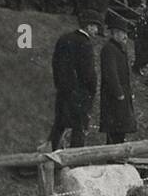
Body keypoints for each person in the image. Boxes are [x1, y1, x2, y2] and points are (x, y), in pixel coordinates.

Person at [49, 10, 101, 151]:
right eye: (95, 27)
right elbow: (88, 73)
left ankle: (51, 154)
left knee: (59, 124)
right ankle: (74, 161)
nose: (96, 31)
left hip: (63, 91)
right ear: (89, 27)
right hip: (80, 94)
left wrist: (60, 85)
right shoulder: (85, 44)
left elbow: (56, 64)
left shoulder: (64, 38)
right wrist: (92, 89)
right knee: (79, 129)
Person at [99, 9, 136, 145]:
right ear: (114, 33)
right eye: (122, 33)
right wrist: (118, 92)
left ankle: (117, 157)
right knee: (114, 128)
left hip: (122, 94)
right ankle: (113, 159)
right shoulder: (109, 49)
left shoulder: (120, 49)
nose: (125, 36)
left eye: (125, 33)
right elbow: (111, 73)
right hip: (114, 96)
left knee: (121, 128)